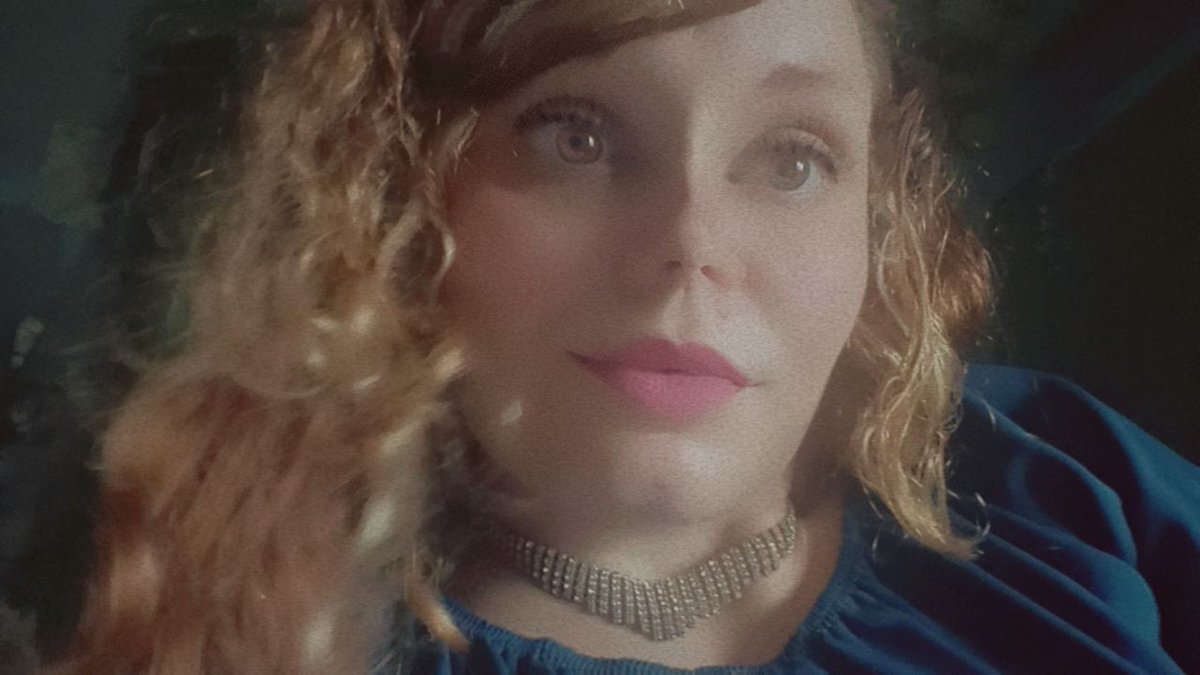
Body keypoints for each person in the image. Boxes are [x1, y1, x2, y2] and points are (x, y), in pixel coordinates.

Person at [39, 0, 1197, 673]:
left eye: (794, 158)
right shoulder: (251, 634)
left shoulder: (1051, 474)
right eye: (577, 136)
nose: (691, 243)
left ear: (877, 224)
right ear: (402, 200)